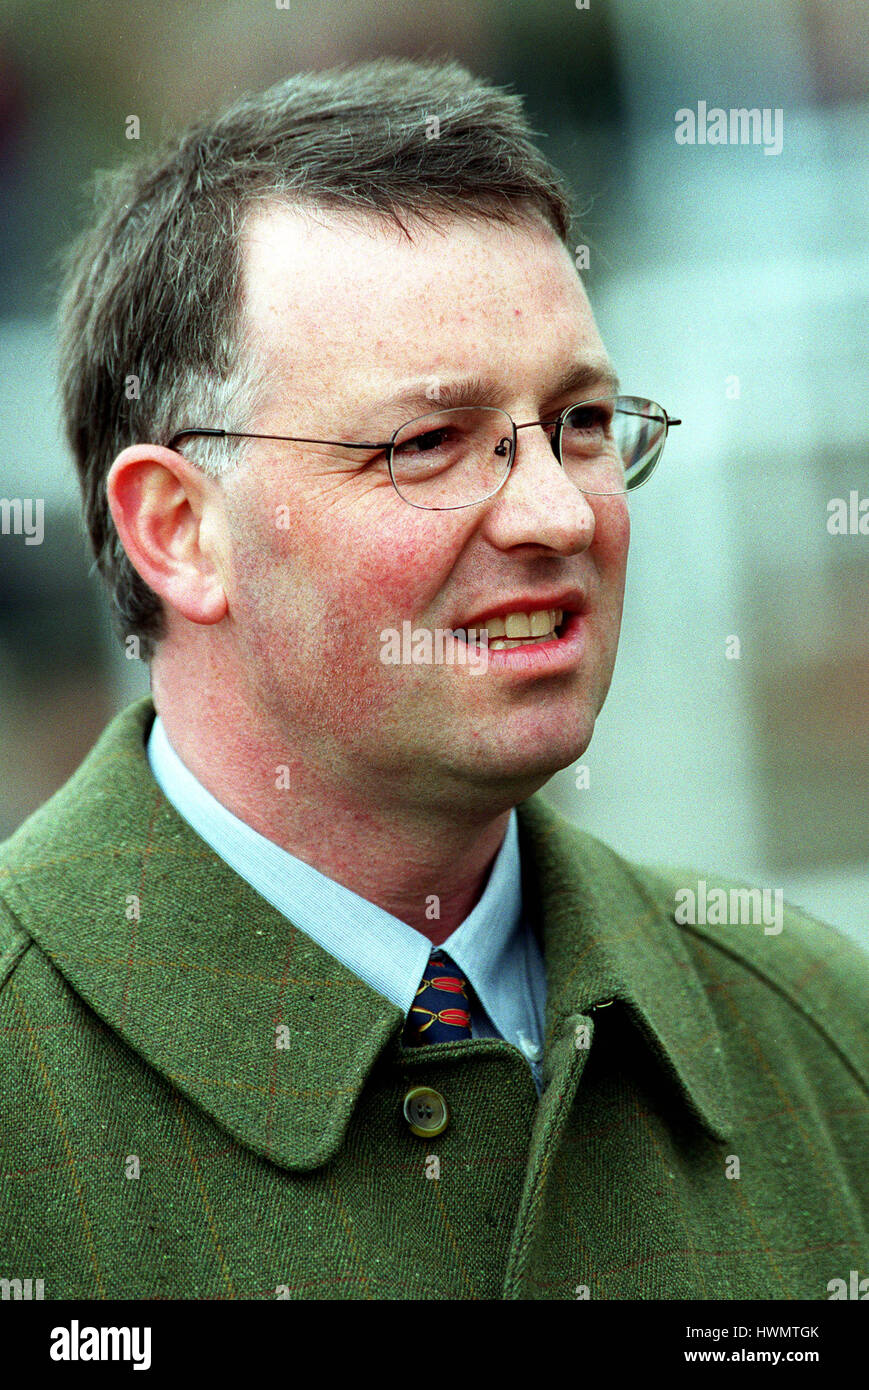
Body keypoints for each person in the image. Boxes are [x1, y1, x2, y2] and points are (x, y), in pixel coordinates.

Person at [1, 57, 866, 1302]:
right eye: (425, 443)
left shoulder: (815, 1034)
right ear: (180, 531)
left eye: (579, 421)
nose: (554, 511)